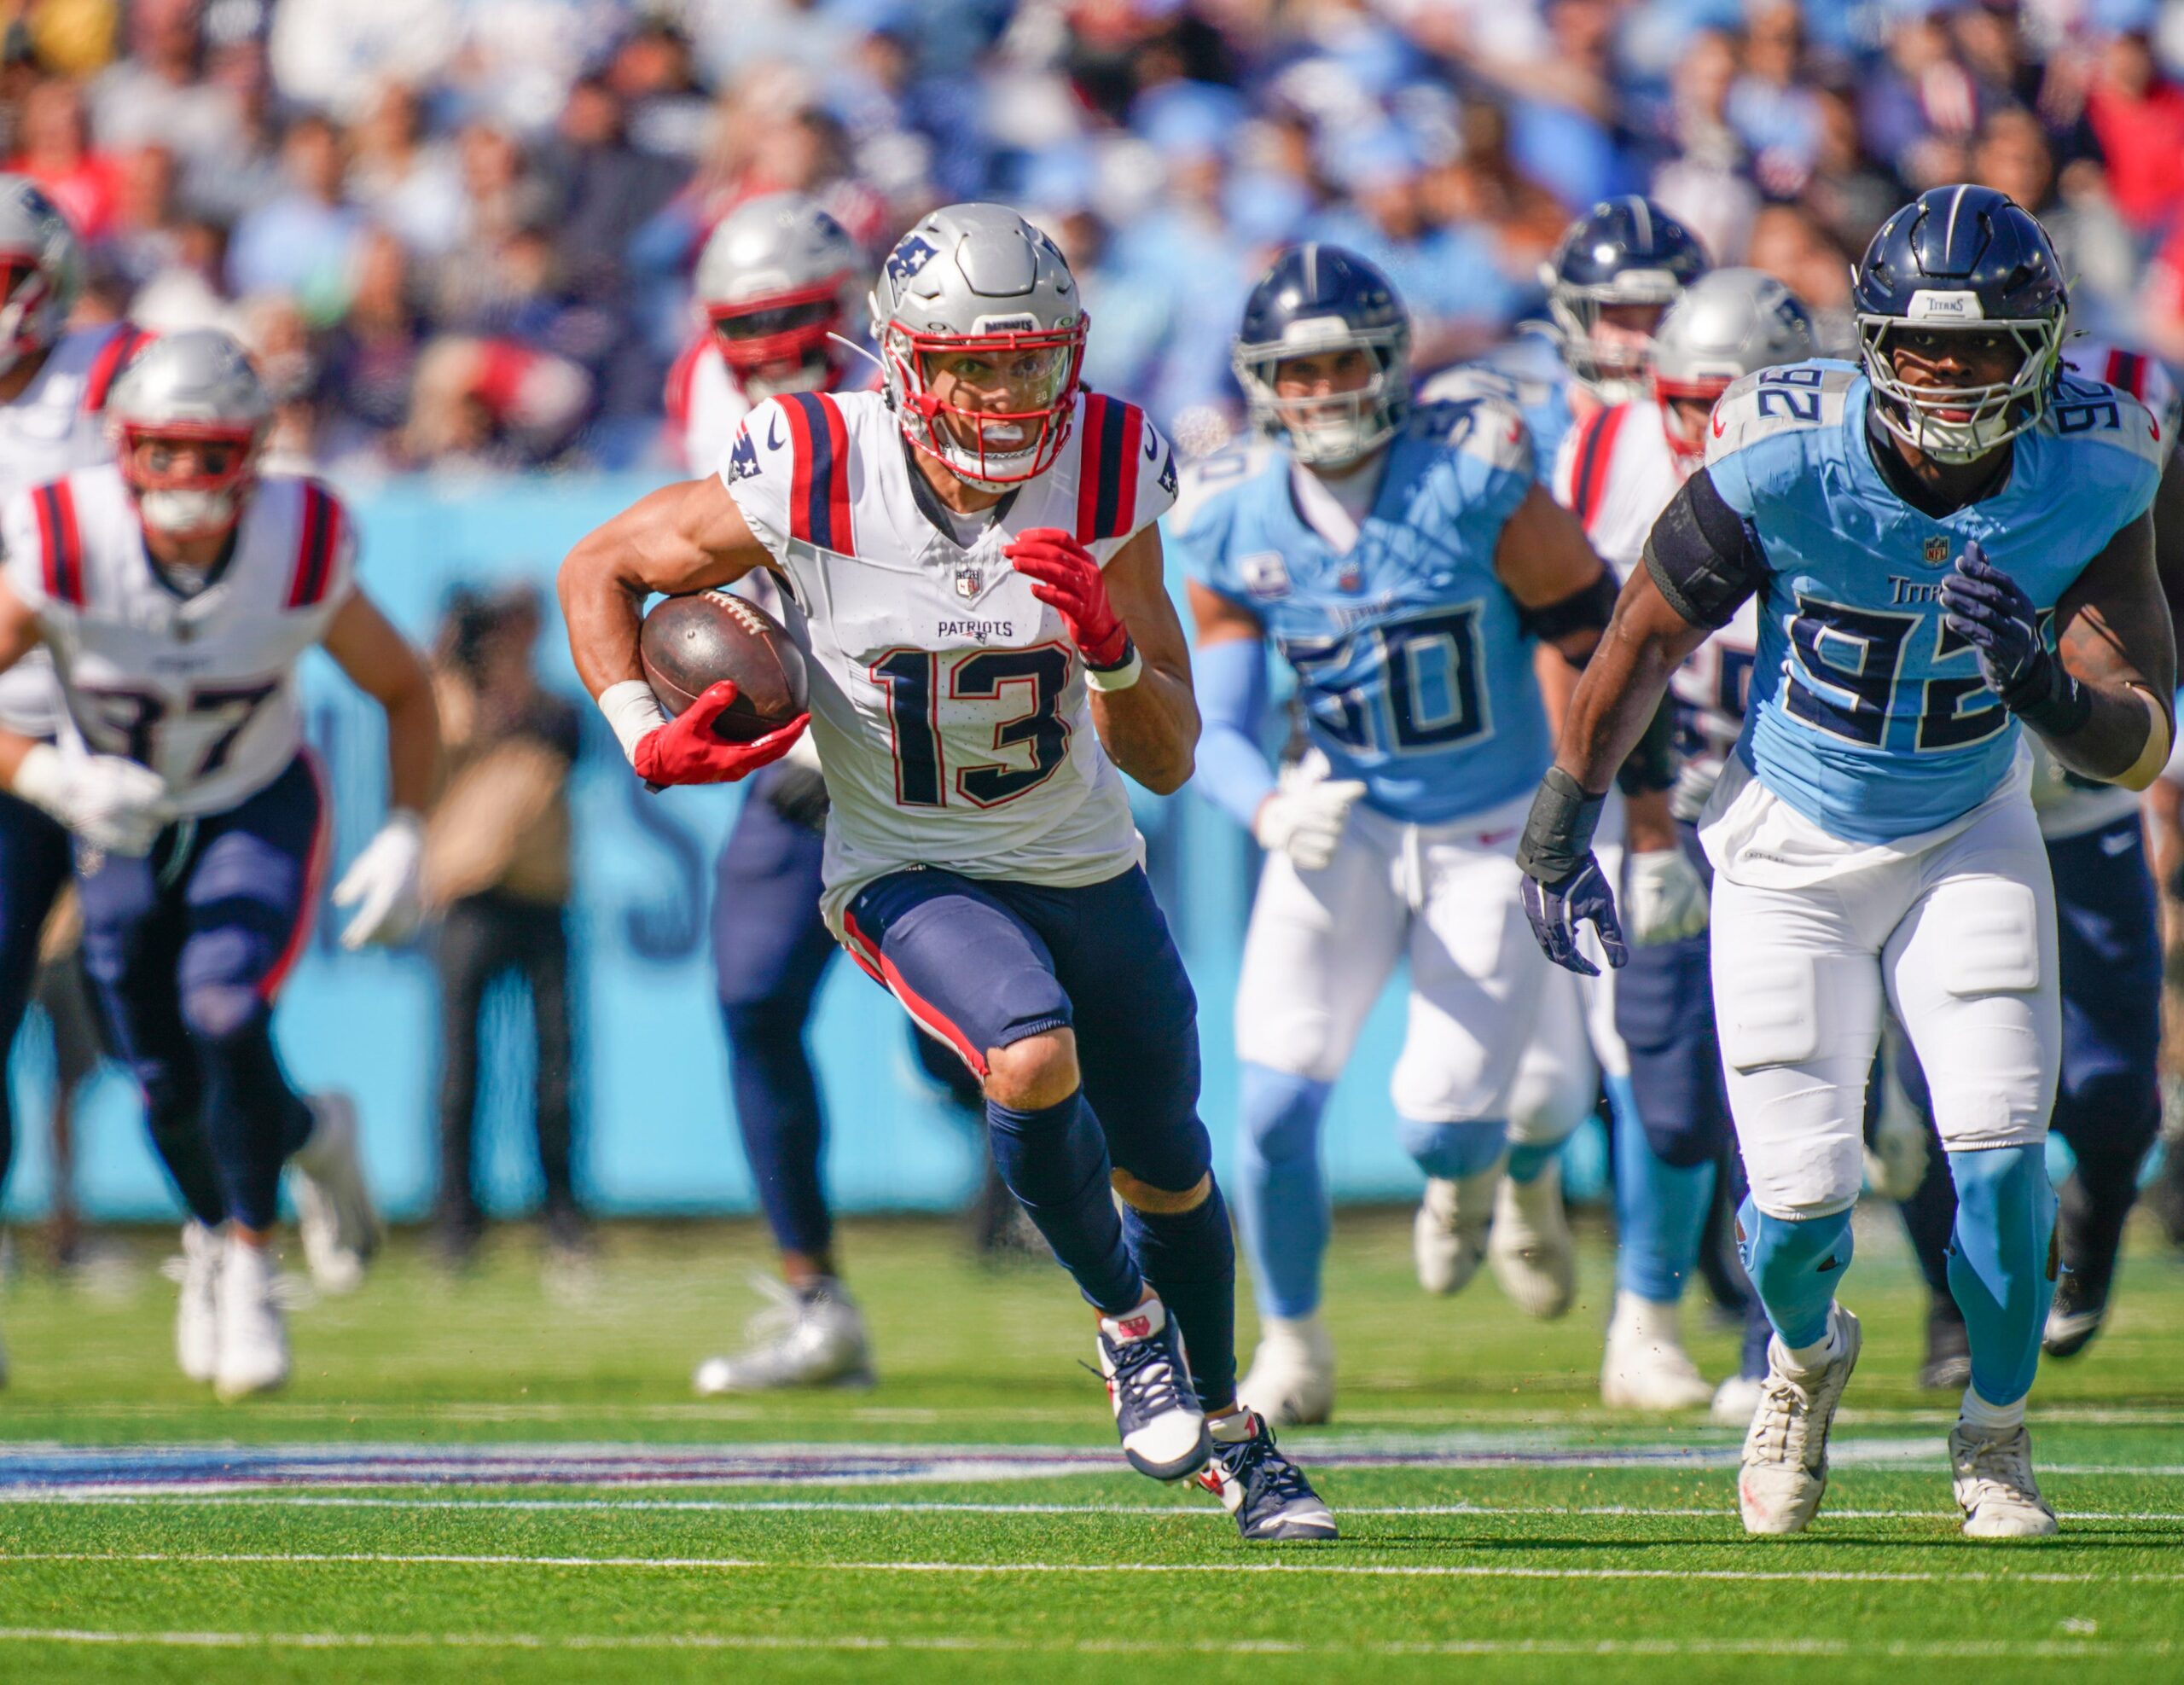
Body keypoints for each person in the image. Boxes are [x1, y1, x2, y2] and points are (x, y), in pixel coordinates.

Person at [561, 201, 1333, 1542]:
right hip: (905, 857)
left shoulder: (1104, 465)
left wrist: (1107, 651)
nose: (1003, 389)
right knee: (1028, 1058)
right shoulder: (807, 460)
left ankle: (1229, 1435)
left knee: (1170, 1166)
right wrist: (642, 728)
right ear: (905, 361)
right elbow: (602, 564)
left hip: (1085, 858)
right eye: (972, 362)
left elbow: (1167, 750)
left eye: (1029, 359)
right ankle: (1126, 1327)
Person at [1516, 185, 2173, 1540]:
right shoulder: (1781, 449)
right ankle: (1804, 1359)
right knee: (1802, 1202)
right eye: (1922, 347)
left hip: (1967, 827)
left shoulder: (2098, 464)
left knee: (1999, 1160)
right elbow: (1637, 636)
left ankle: (1993, 1437)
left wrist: (2043, 684)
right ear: (1869, 341)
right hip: (1787, 842)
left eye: (1982, 347)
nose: (1947, 375)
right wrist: (1559, 822)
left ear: (2040, 348)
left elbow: (2137, 742)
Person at [1175, 244, 1620, 1426]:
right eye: (1296, 369)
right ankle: (1293, 1339)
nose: (1320, 390)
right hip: (1343, 820)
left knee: (1441, 1120)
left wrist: (1612, 808)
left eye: (1341, 363)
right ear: (1261, 381)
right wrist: (1264, 803)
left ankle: (1513, 1170)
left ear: (1389, 366)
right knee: (1268, 1109)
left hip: (1489, 819)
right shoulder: (1232, 513)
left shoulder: (1470, 476)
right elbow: (1210, 724)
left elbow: (1600, 636)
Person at [0, 328, 441, 1399]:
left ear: (254, 451)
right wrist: (47, 774)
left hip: (251, 798)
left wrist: (408, 828)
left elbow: (404, 686)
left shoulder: (300, 537)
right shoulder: (65, 539)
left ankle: (248, 1260)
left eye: (211, 454)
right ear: (121, 449)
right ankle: (290, 1153)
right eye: (163, 451)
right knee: (155, 1073)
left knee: (225, 1007)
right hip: (120, 815)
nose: (187, 481)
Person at [665, 193, 988, 1393]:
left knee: (977, 1040)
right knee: (751, 999)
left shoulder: (921, 392)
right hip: (806, 761)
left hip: (930, 747)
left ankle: (1113, 1256)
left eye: (799, 314)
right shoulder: (710, 394)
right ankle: (814, 1296)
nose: (773, 343)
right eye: (748, 322)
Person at [1885, 334, 2184, 1368]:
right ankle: (1949, 1301)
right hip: (1951, 806)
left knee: (2109, 1084)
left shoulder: (2122, 490)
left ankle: (2094, 1225)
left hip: (2077, 802)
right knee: (1938, 1081)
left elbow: (2143, 709)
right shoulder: (1941, 469)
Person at [1548, 269, 1816, 1413]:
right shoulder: (1602, 452)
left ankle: (1778, 1339)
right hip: (1670, 803)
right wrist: (1643, 825)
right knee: (1661, 1086)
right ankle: (1649, 1315)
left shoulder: (1841, 468)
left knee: (1789, 1074)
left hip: (1800, 811)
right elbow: (1582, 640)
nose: (1704, 426)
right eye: (1686, 396)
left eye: (1733, 398)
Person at [0, 173, 223, 1384]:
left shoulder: (120, 373)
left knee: (174, 1016)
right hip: (9, 749)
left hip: (137, 732)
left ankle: (227, 1229)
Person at [421, 583, 585, 1262]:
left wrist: (502, 677)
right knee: (461, 1073)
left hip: (542, 894)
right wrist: (451, 660)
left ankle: (561, 1217)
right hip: (469, 895)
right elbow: (441, 732)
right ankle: (457, 1223)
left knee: (554, 1072)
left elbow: (562, 736)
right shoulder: (448, 699)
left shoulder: (550, 707)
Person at [1423, 196, 1713, 469]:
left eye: (1664, 321)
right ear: (1572, 318)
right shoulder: (1519, 439)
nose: (1644, 342)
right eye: (1622, 321)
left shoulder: (1712, 438)